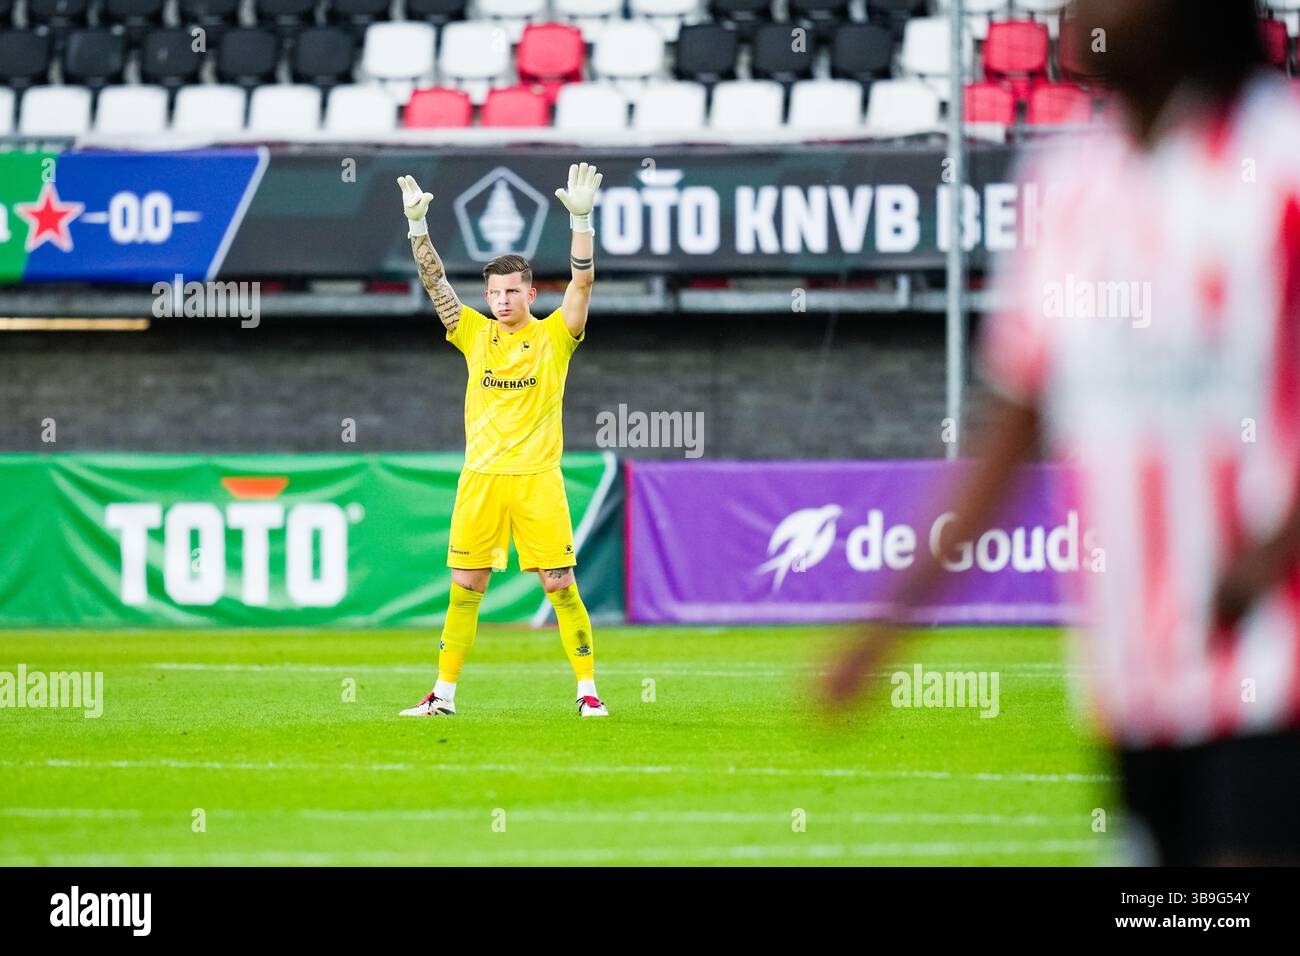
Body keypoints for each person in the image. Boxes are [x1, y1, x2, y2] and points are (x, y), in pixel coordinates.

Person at [826, 0, 1300, 864]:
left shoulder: (1279, 166)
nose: (1080, 10)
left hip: (1278, 663)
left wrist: (1271, 557)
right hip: (1135, 679)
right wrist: (887, 627)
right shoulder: (1068, 185)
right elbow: (1014, 423)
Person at [398, 163, 609, 718]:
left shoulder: (555, 335)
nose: (502, 301)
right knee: (465, 588)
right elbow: (436, 285)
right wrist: (419, 230)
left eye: (513, 291)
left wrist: (581, 221)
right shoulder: (472, 332)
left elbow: (583, 283)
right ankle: (441, 696)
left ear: (532, 292)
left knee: (561, 584)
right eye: (494, 292)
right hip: (482, 481)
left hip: (539, 481)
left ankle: (588, 692)